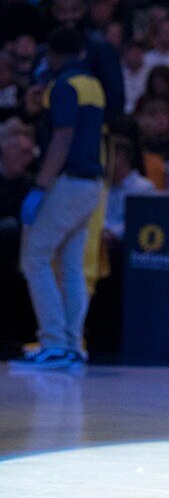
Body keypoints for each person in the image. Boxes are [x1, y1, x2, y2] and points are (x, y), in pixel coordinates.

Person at [10, 27, 105, 371]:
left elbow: (63, 137)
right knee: (70, 265)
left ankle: (52, 342)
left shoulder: (62, 85)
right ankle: (70, 344)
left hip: (68, 181)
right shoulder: (91, 83)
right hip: (93, 182)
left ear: (52, 54)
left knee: (34, 257)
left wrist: (40, 186)